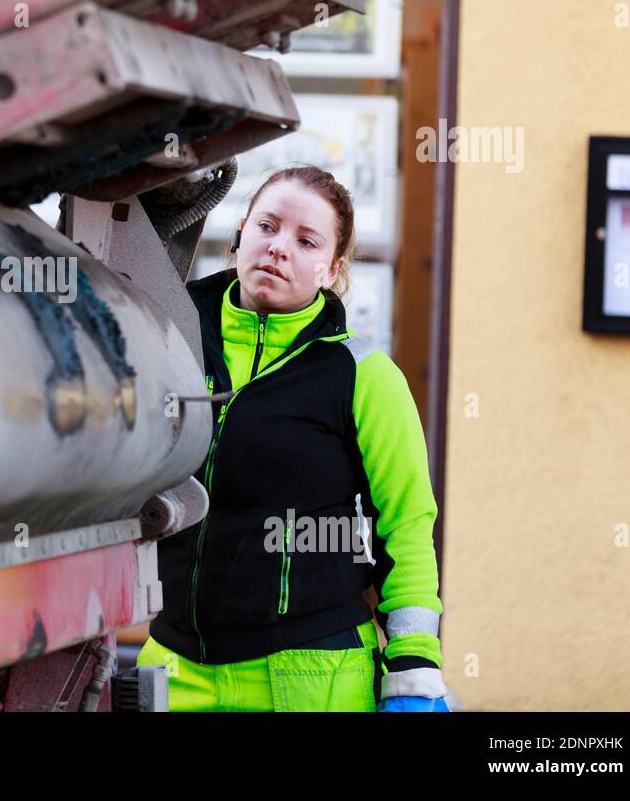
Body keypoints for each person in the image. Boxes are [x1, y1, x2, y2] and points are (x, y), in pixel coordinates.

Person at [137, 165, 451, 711]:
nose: (279, 248)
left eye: (306, 241)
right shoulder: (170, 340)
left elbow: (406, 526)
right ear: (240, 237)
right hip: (175, 667)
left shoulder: (364, 375)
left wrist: (414, 665)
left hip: (311, 676)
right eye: (267, 226)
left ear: (332, 270)